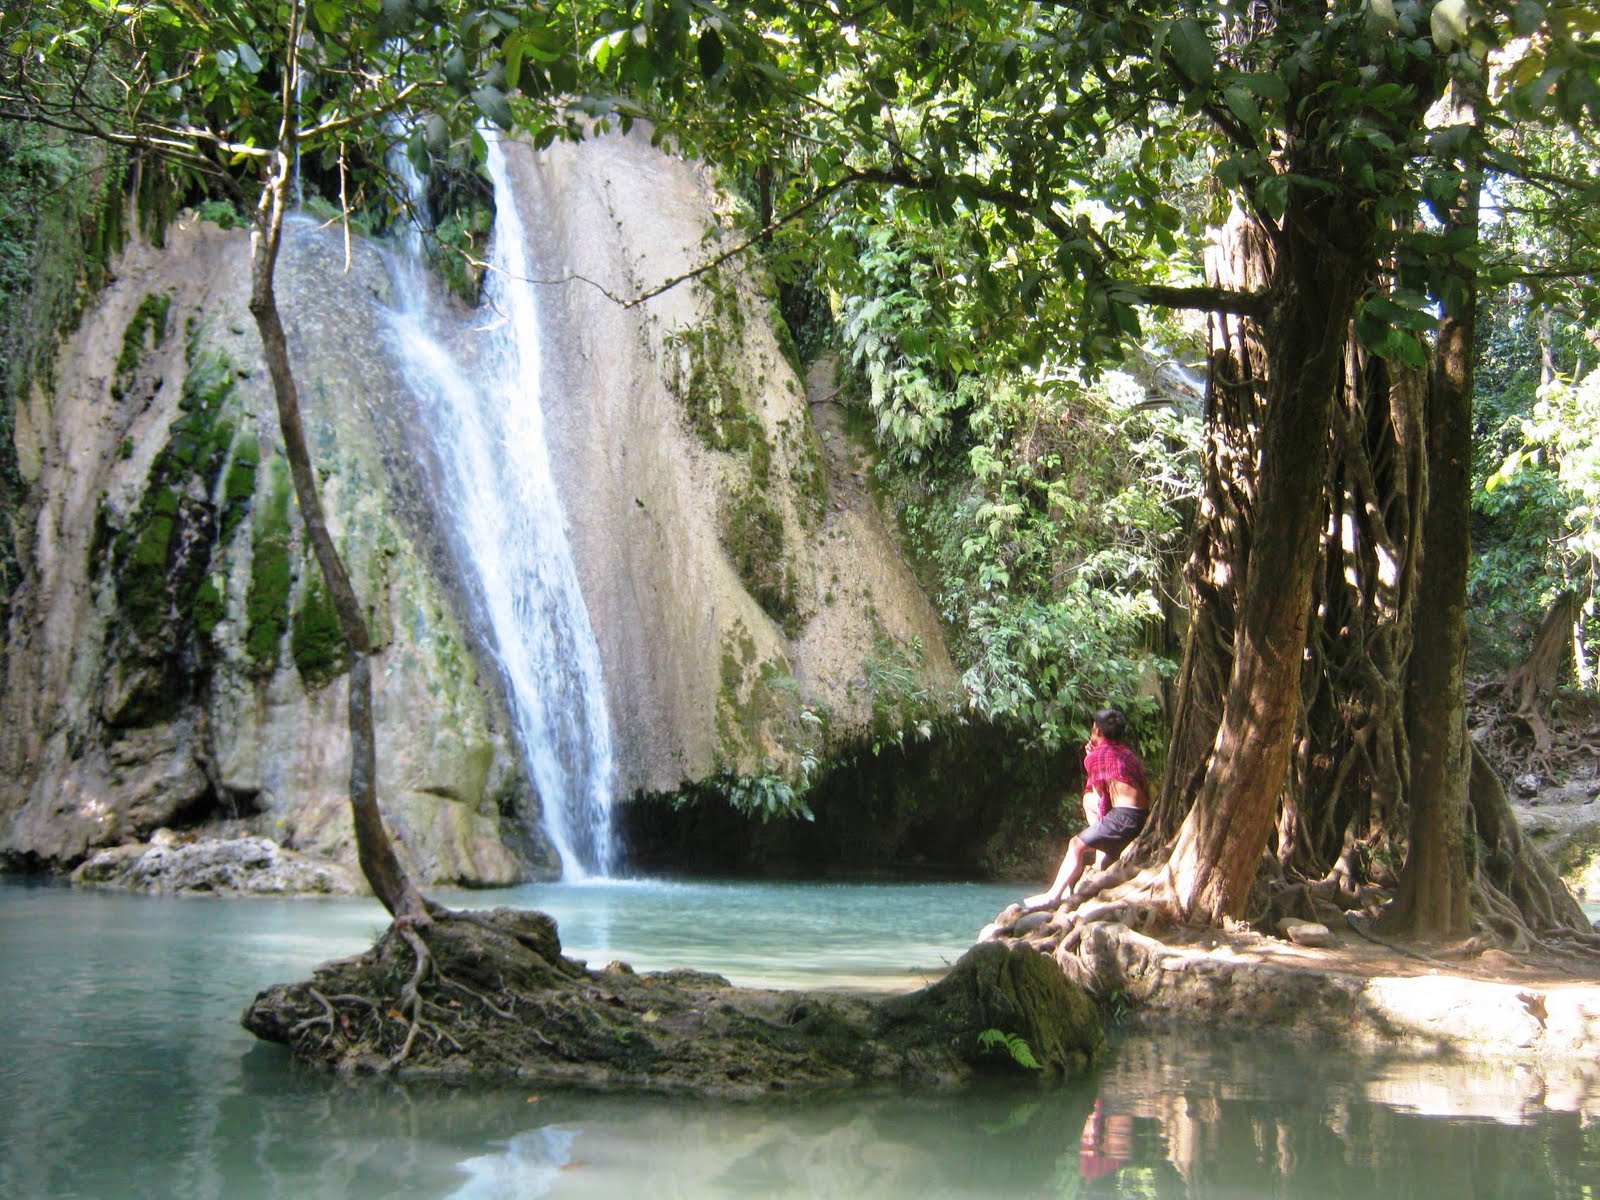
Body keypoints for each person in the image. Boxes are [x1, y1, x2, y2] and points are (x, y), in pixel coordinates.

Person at [1024, 706, 1149, 908]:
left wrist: (1089, 758)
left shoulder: (1098, 755)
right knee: (1087, 800)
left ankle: (1053, 895)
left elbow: (1101, 795)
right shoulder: (1127, 754)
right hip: (1141, 816)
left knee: (1075, 845)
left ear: (1097, 731)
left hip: (1124, 817)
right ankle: (1100, 856)